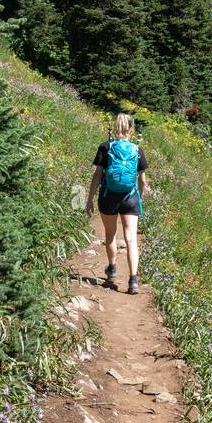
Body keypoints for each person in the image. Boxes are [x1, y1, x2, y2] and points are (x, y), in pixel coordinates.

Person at [85, 113, 150, 294]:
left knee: (111, 235)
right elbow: (142, 180)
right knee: (131, 239)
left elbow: (98, 175)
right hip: (130, 198)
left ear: (115, 127)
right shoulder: (137, 150)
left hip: (109, 196)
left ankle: (112, 269)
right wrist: (140, 197)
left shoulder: (106, 147)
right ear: (131, 129)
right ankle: (133, 280)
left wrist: (89, 198)